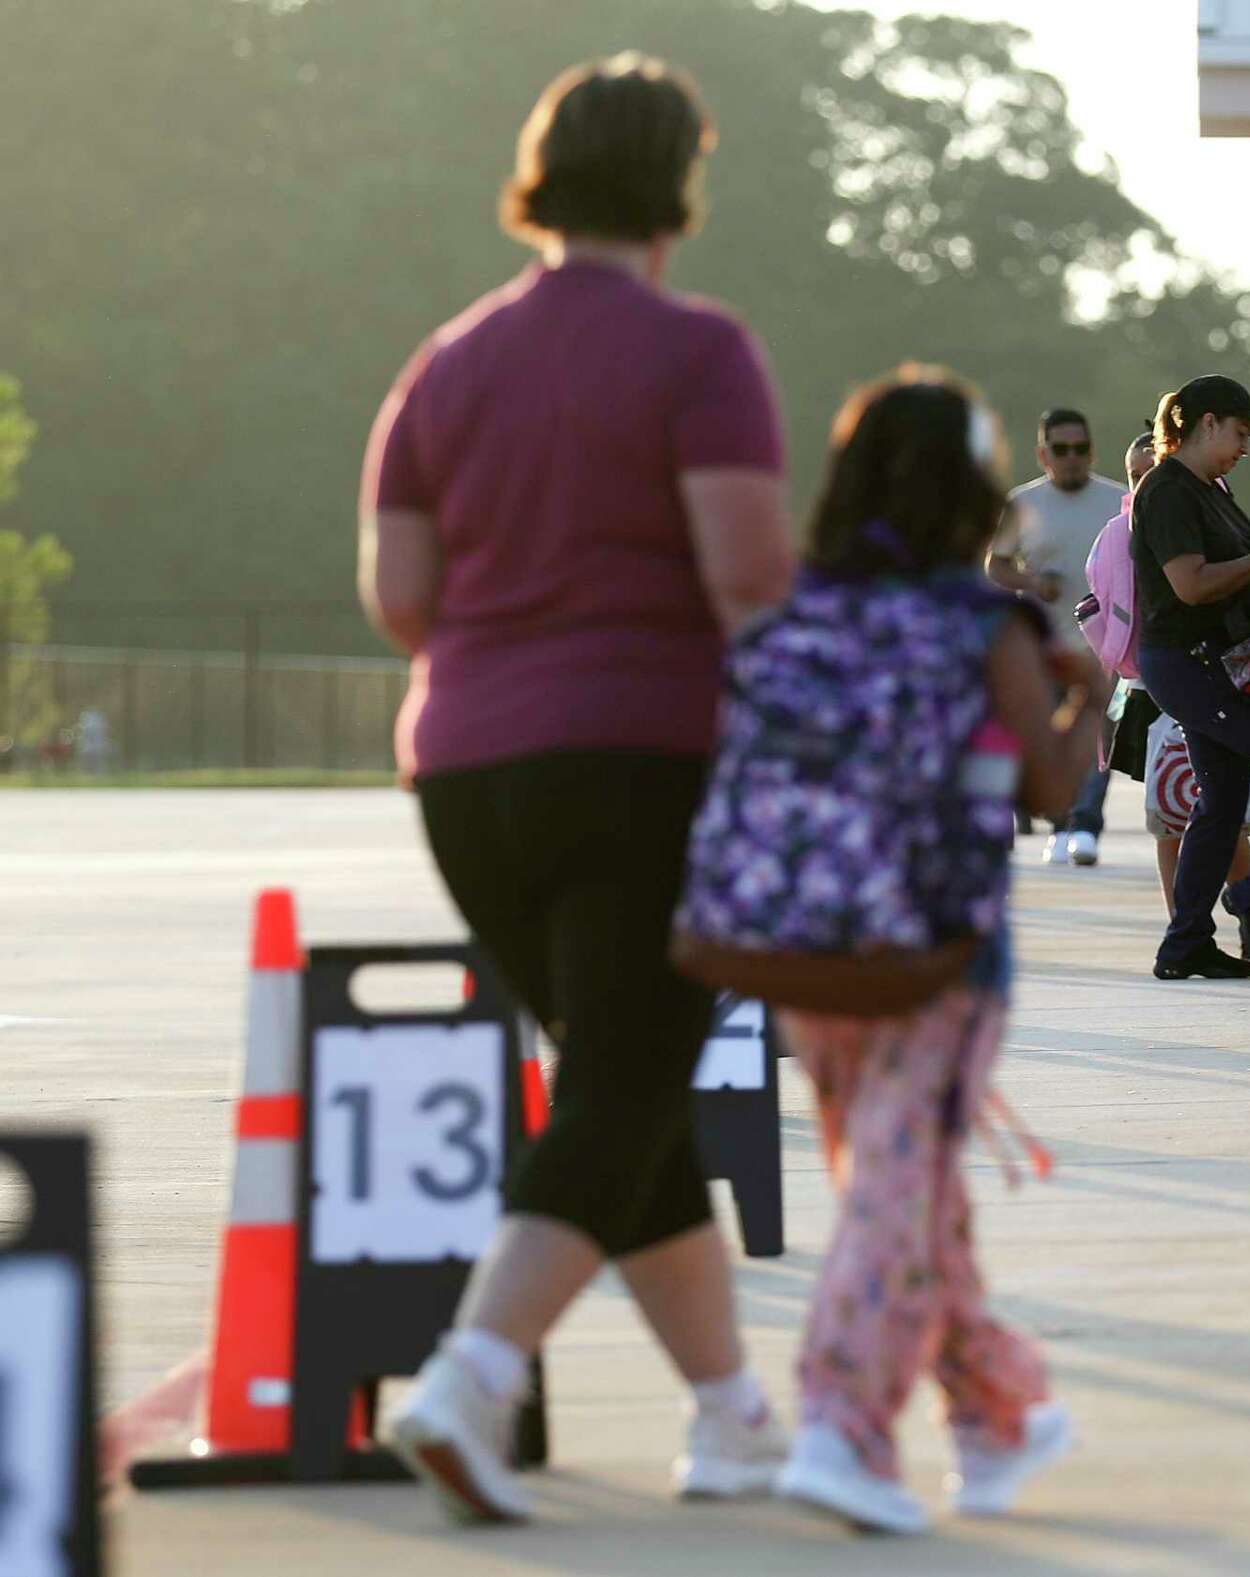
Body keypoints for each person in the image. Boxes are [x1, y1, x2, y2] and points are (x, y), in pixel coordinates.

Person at [358, 54, 794, 1524]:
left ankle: (735, 1417)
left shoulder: (447, 360)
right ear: (681, 184)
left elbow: (398, 595)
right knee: (622, 1077)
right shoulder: (697, 353)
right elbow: (745, 578)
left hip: (467, 769)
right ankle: (469, 1377)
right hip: (648, 758)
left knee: (627, 1077)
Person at [769, 370, 1101, 1535]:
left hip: (809, 948)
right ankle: (840, 1422)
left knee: (904, 1186)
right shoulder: (982, 625)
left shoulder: (795, 611)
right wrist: (1090, 695)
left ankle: (997, 1412)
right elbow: (1053, 792)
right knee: (897, 1185)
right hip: (940, 959)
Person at [1130, 375, 1250, 979]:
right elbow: (1191, 584)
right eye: (1240, 432)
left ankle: (1185, 943)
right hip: (1188, 664)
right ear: (1205, 423)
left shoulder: (1209, 487)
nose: (1246, 445)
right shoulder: (1167, 491)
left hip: (1215, 661)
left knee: (1222, 801)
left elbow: (1231, 570)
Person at [988, 409, 1127, 867]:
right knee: (1047, 739)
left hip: (1105, 645)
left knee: (1099, 737)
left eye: (1080, 449)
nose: (1072, 459)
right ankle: (1062, 823)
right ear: (1042, 453)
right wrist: (1031, 583)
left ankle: (1085, 825)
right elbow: (998, 564)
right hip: (1044, 644)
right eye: (1061, 450)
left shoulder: (1119, 500)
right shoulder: (1023, 503)